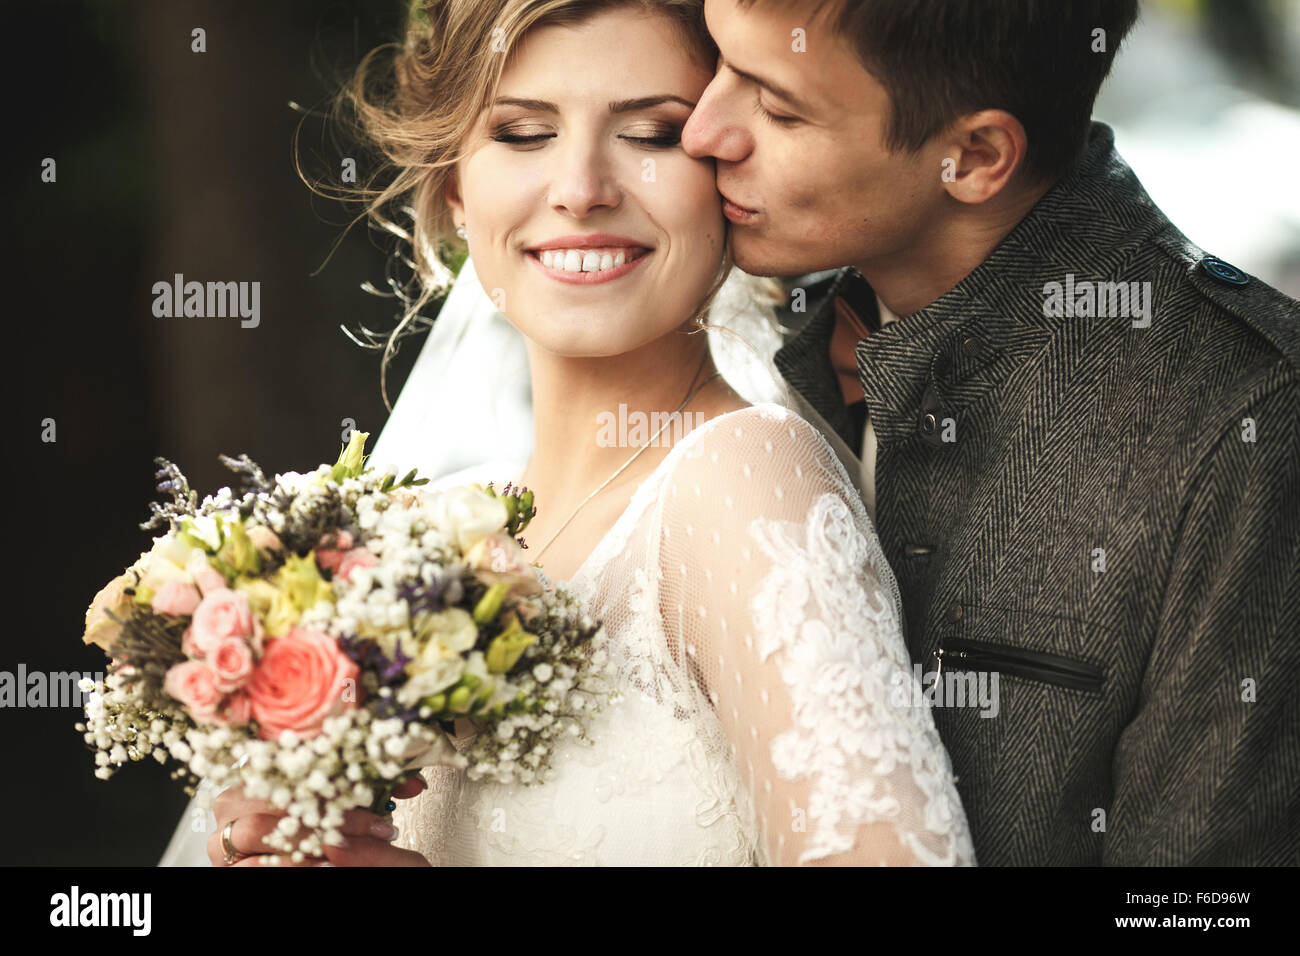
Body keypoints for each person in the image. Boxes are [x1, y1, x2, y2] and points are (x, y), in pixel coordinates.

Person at [192, 0, 975, 867]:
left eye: (650, 134)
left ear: (728, 171)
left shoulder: (741, 479)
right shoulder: (424, 535)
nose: (581, 189)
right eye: (524, 134)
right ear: (455, 186)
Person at [680, 0, 1300, 864]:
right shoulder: (748, 340)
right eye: (717, 62)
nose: (703, 131)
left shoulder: (1251, 423)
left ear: (971, 157)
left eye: (779, 108)